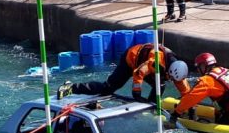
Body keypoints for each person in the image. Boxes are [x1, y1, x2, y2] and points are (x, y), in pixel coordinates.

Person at [58, 43, 190, 103]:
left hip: (149, 68)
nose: (173, 81)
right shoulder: (156, 62)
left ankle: (153, 105)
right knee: (108, 88)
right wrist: (136, 92)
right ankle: (71, 87)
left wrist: (190, 106)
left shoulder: (177, 69)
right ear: (170, 70)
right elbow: (139, 73)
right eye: (171, 78)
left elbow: (185, 89)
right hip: (131, 59)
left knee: (160, 85)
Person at [168, 52, 229, 128]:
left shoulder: (206, 81)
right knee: (221, 118)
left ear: (203, 66)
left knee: (221, 126)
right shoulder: (225, 70)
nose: (199, 71)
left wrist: (176, 113)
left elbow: (191, 98)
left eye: (199, 67)